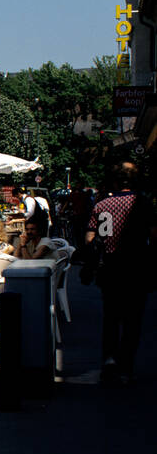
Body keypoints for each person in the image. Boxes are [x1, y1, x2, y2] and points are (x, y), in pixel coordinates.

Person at [84, 162, 156, 386]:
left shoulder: (103, 204)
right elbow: (154, 236)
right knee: (133, 320)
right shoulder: (143, 203)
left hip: (110, 268)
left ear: (115, 180)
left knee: (111, 317)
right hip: (136, 268)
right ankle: (126, 366)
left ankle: (109, 360)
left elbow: (91, 238)